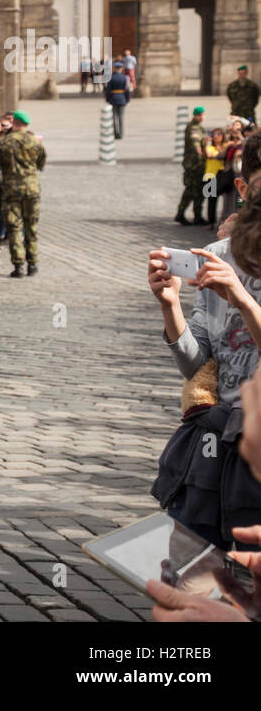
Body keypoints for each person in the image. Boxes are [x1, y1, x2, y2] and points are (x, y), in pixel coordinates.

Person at [148, 133, 261, 554]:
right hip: (219, 445)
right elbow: (199, 366)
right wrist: (170, 306)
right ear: (244, 189)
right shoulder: (216, 255)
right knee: (194, 576)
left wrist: (243, 298)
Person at [0, 110, 47, 277]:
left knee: (14, 227)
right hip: (32, 189)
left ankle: (19, 265)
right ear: (26, 124)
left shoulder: (4, 143)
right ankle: (33, 263)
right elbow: (42, 162)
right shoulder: (35, 142)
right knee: (31, 226)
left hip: (11, 190)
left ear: (14, 123)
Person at [175, 107, 208, 225]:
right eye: (200, 115)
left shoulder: (198, 127)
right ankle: (185, 214)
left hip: (196, 164)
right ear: (195, 115)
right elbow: (196, 145)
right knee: (193, 190)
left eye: (203, 115)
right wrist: (205, 154)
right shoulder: (194, 128)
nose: (202, 117)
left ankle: (193, 215)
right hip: (194, 165)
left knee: (196, 190)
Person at [104, 61, 130, 139]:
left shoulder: (111, 77)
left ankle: (116, 133)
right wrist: (127, 99)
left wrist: (108, 99)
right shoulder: (125, 77)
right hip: (122, 98)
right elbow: (127, 90)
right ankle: (121, 134)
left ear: (115, 68)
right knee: (121, 117)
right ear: (121, 69)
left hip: (113, 98)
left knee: (114, 117)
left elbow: (108, 90)